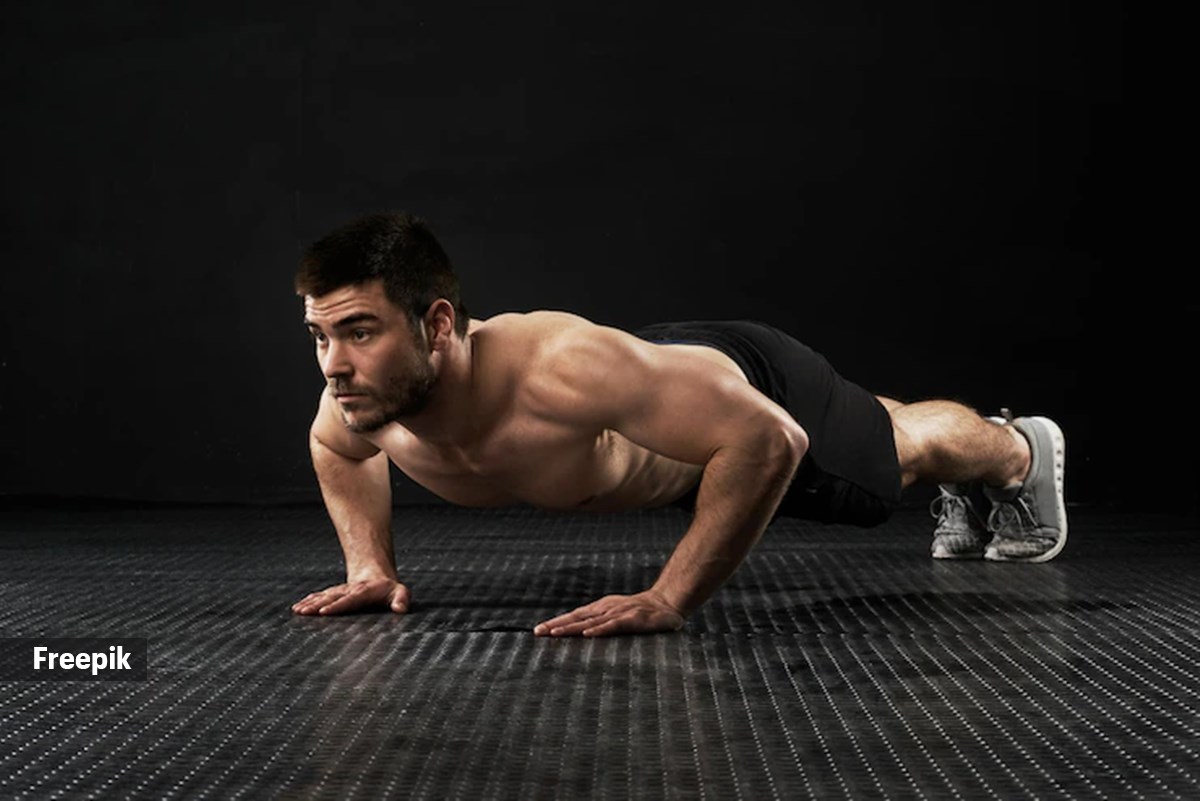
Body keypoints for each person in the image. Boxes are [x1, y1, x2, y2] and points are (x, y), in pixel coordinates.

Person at [289, 212, 1067, 637]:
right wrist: (370, 569)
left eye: (360, 331)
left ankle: (1017, 451)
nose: (333, 363)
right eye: (322, 336)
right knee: (872, 421)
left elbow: (770, 439)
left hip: (753, 384)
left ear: (436, 323)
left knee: (894, 458)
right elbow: (336, 448)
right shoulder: (362, 403)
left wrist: (670, 597)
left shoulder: (559, 369)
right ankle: (942, 449)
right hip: (667, 383)